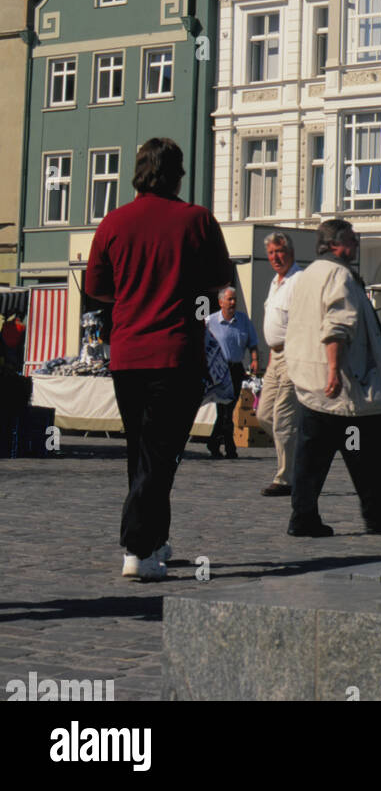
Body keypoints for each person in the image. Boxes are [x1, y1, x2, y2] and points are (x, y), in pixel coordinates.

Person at [85, 137, 232, 581]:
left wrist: (133, 295)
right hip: (175, 352)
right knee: (160, 454)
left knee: (144, 451)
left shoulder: (114, 222)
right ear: (178, 174)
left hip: (128, 353)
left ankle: (156, 537)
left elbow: (96, 287)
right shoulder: (197, 220)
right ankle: (138, 548)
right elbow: (219, 281)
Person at [284, 219, 381, 537]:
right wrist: (334, 371)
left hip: (311, 385)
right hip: (343, 389)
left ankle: (303, 516)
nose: (356, 246)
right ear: (337, 244)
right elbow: (336, 326)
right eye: (352, 240)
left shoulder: (307, 275)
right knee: (368, 455)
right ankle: (378, 514)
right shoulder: (338, 275)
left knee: (312, 457)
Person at [257, 233, 302, 497]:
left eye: (280, 251)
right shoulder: (275, 282)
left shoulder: (299, 280)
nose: (275, 257)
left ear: (291, 251)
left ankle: (286, 479)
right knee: (264, 415)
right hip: (275, 358)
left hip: (293, 355)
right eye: (271, 252)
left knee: (283, 420)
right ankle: (300, 452)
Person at [206, 288, 259, 460]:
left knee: (229, 407)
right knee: (223, 409)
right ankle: (229, 446)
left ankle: (215, 441)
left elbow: (253, 342)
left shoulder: (243, 320)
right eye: (229, 299)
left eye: (234, 299)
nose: (233, 303)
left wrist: (255, 359)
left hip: (236, 369)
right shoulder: (211, 321)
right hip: (219, 370)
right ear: (221, 302)